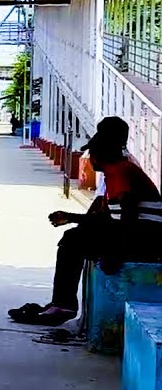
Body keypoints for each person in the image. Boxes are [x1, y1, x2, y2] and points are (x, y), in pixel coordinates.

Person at [10, 116, 160, 326]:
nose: (89, 158)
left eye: (92, 153)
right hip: (143, 235)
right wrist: (71, 217)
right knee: (77, 234)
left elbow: (129, 215)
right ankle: (59, 303)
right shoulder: (119, 171)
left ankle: (62, 306)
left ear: (102, 154)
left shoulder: (119, 173)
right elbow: (109, 218)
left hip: (146, 241)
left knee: (72, 241)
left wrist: (115, 253)